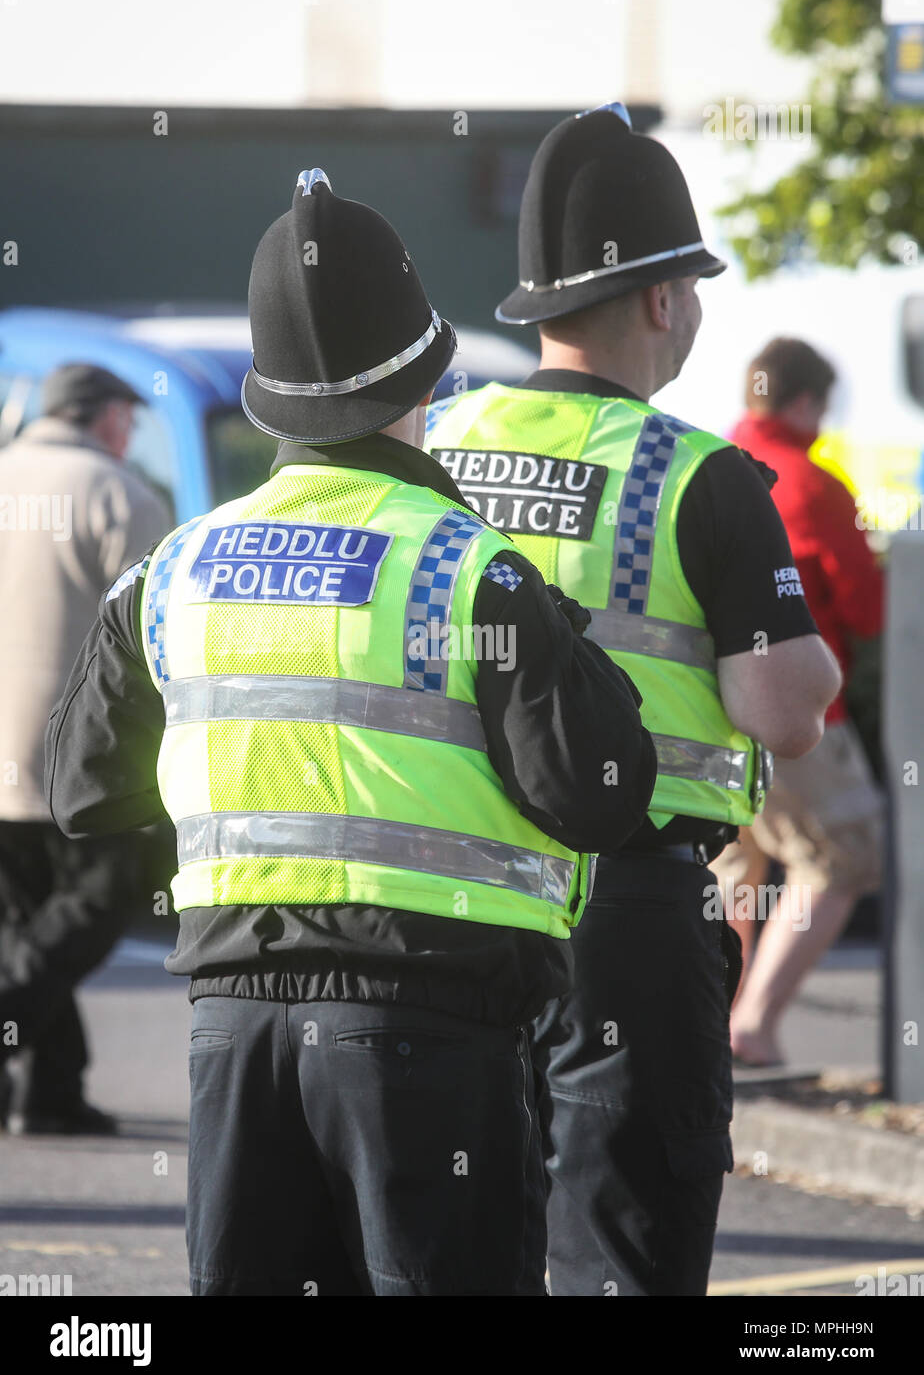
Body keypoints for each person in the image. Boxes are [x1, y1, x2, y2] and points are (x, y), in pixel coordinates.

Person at [45, 170, 656, 1295]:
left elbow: (82, 789)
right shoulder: (467, 568)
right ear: (429, 376)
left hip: (235, 1041)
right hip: (428, 1041)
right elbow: (601, 791)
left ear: (271, 399)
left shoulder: (174, 568)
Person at [427, 106, 842, 1296]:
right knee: (623, 1240)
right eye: (697, 283)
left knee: (467, 1239)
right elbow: (782, 713)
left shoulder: (438, 444)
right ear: (663, 300)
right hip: (629, 915)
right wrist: (812, 668)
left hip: (461, 901)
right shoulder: (703, 477)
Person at [0, 363, 170, 1135]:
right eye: (128, 421)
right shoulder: (118, 494)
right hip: (68, 753)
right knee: (91, 909)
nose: (130, 436)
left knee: (32, 916)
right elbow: (150, 632)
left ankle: (50, 1092)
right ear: (101, 418)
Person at [710, 338, 886, 1066]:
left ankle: (712, 1029)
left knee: (734, 869)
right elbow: (870, 610)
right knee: (847, 858)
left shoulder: (710, 464)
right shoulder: (814, 486)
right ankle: (751, 1025)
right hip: (802, 720)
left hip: (709, 713)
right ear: (806, 402)